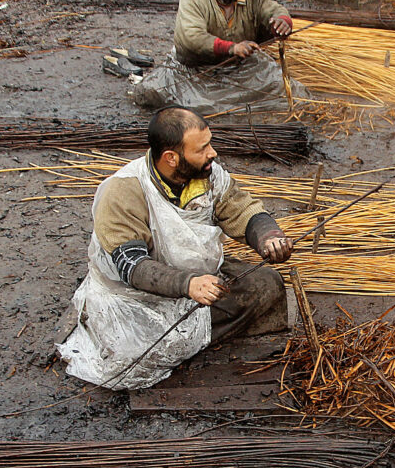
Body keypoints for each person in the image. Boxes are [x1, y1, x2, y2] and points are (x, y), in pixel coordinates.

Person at [57, 106, 294, 390]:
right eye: (202, 148)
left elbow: (242, 209)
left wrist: (268, 236)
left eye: (210, 144)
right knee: (131, 353)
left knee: (268, 283)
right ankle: (196, 335)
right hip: (135, 294)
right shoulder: (123, 191)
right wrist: (187, 283)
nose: (213, 153)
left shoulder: (208, 174)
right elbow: (133, 267)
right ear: (171, 157)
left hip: (197, 275)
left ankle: (198, 332)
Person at [130, 0, 304, 114]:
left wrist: (283, 22)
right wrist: (232, 48)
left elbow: (273, 9)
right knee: (162, 97)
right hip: (197, 70)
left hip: (240, 67)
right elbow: (192, 38)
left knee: (287, 89)